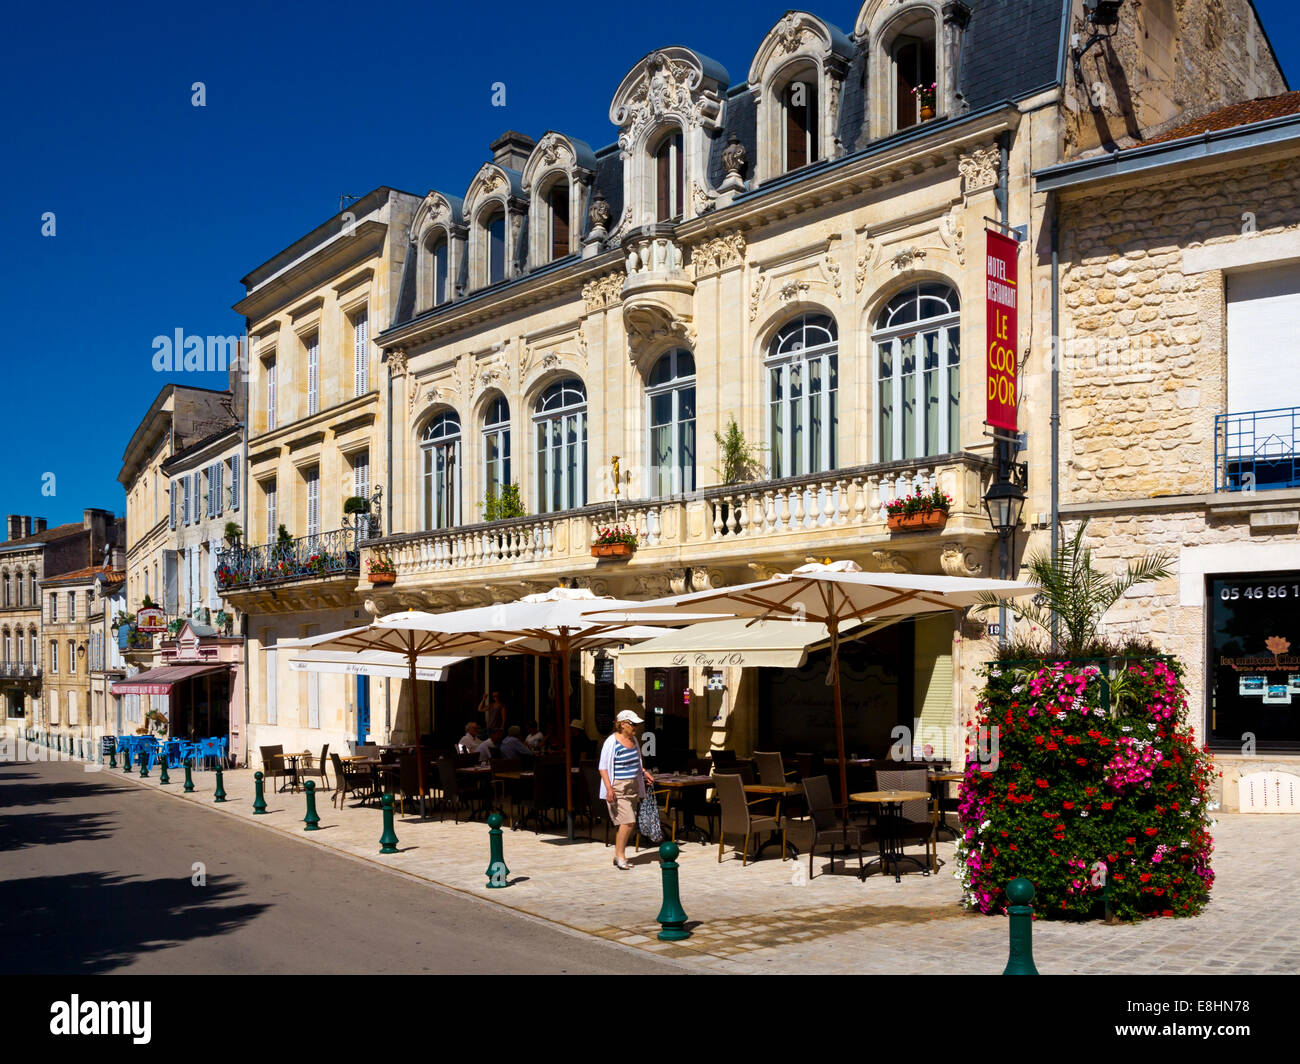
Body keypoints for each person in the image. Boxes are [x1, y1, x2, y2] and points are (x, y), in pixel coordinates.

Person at [598, 710, 654, 870]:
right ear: (623, 724)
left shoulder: (634, 740)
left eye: (637, 724)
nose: (636, 727)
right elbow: (603, 767)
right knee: (629, 821)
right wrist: (609, 789)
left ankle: (618, 854)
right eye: (633, 724)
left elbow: (636, 761)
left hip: (633, 786)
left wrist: (644, 772)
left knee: (625, 822)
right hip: (618, 787)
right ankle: (621, 856)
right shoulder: (611, 742)